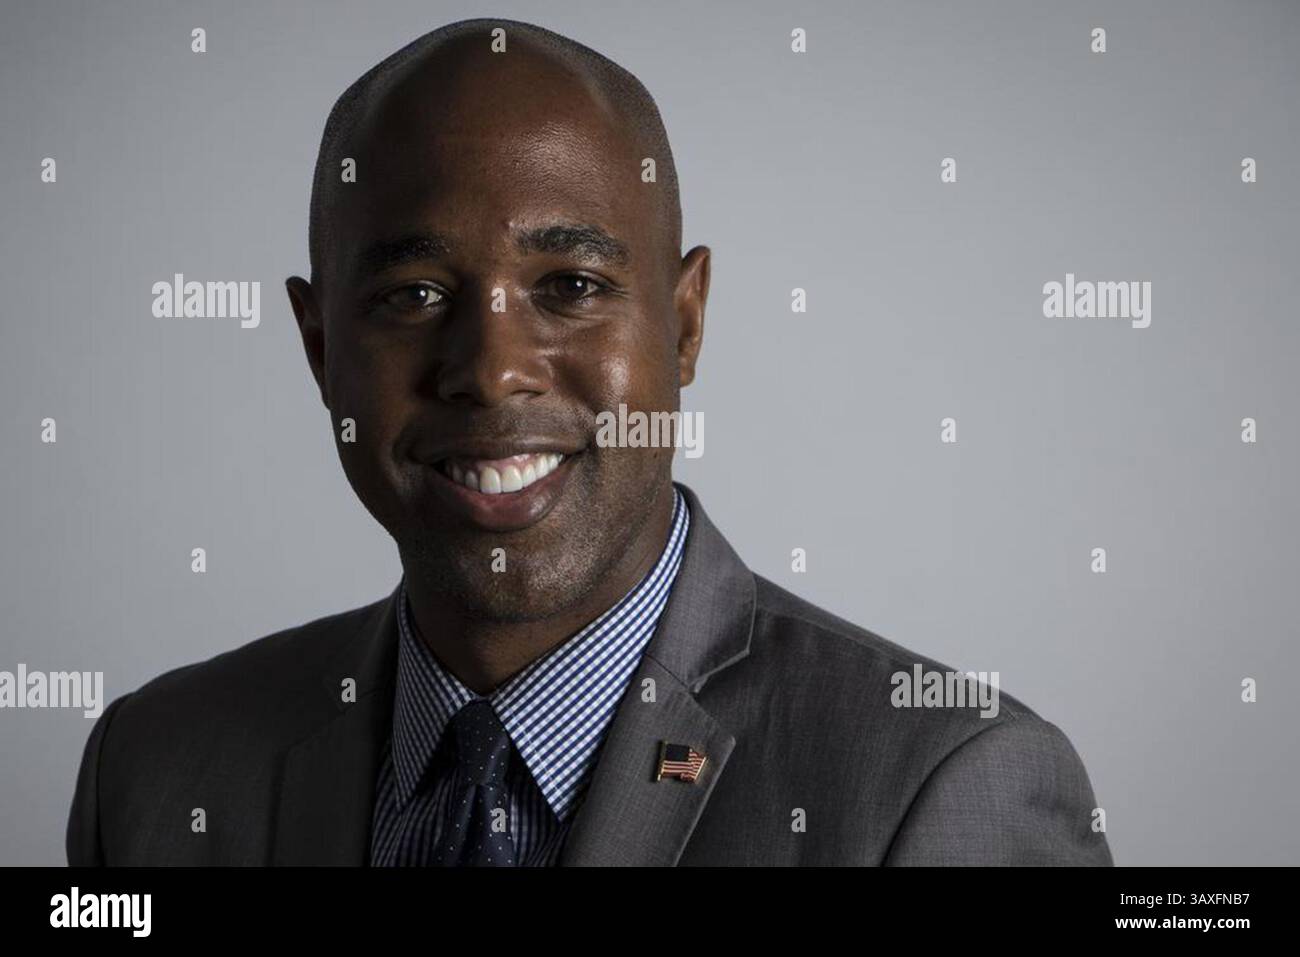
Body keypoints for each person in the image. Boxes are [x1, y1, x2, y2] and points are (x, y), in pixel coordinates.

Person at [67, 18, 1112, 866]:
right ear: (320, 345)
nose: (489, 367)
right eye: (413, 294)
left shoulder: (939, 793)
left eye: (569, 287)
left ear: (685, 323)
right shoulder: (155, 771)